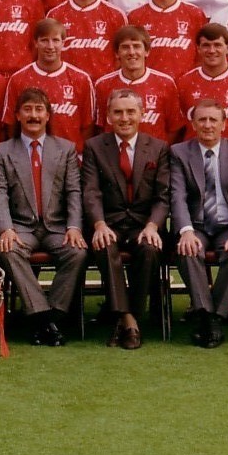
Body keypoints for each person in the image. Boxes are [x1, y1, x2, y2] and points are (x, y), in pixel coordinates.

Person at [0, 87, 88, 347]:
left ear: (48, 115)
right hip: (21, 227)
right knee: (9, 251)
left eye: (39, 109)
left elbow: (74, 191)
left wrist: (75, 227)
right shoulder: (1, 151)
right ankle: (44, 318)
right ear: (17, 115)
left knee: (76, 253)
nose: (33, 115)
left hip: (57, 228)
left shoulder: (65, 148)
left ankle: (50, 315)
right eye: (28, 110)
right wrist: (6, 229)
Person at [81, 89, 170, 350]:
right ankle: (129, 321)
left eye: (130, 111)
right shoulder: (94, 147)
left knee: (150, 249)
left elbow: (164, 196)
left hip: (144, 223)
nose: (124, 117)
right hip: (109, 222)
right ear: (108, 116)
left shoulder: (158, 148)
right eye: (118, 112)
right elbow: (91, 191)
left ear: (141, 114)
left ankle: (125, 316)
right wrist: (98, 224)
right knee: (105, 246)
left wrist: (153, 226)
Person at [169, 98, 228, 349]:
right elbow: (177, 195)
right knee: (187, 249)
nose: (207, 125)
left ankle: (213, 316)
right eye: (202, 120)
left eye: (213, 120)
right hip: (196, 223)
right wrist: (185, 230)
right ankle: (208, 315)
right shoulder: (179, 152)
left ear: (224, 124)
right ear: (193, 124)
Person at [2, 17, 95, 153]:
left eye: (55, 40)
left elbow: (88, 126)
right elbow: (11, 124)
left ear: (63, 43)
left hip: (70, 158)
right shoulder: (18, 79)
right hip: (30, 156)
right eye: (44, 40)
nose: (50, 46)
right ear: (35, 43)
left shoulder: (81, 79)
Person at [93, 24, 183, 141]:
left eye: (136, 46)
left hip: (154, 156)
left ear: (147, 51)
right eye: (125, 47)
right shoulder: (103, 85)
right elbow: (101, 127)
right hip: (114, 155)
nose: (131, 52)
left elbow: (174, 128)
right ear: (116, 53)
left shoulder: (165, 83)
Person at [127, 0, 204, 79]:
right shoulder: (136, 17)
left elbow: (202, 56)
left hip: (186, 86)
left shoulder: (195, 14)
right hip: (150, 88)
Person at [50, 0, 125, 82]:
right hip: (67, 84)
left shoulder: (115, 15)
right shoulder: (56, 15)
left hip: (104, 85)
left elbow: (122, 55)